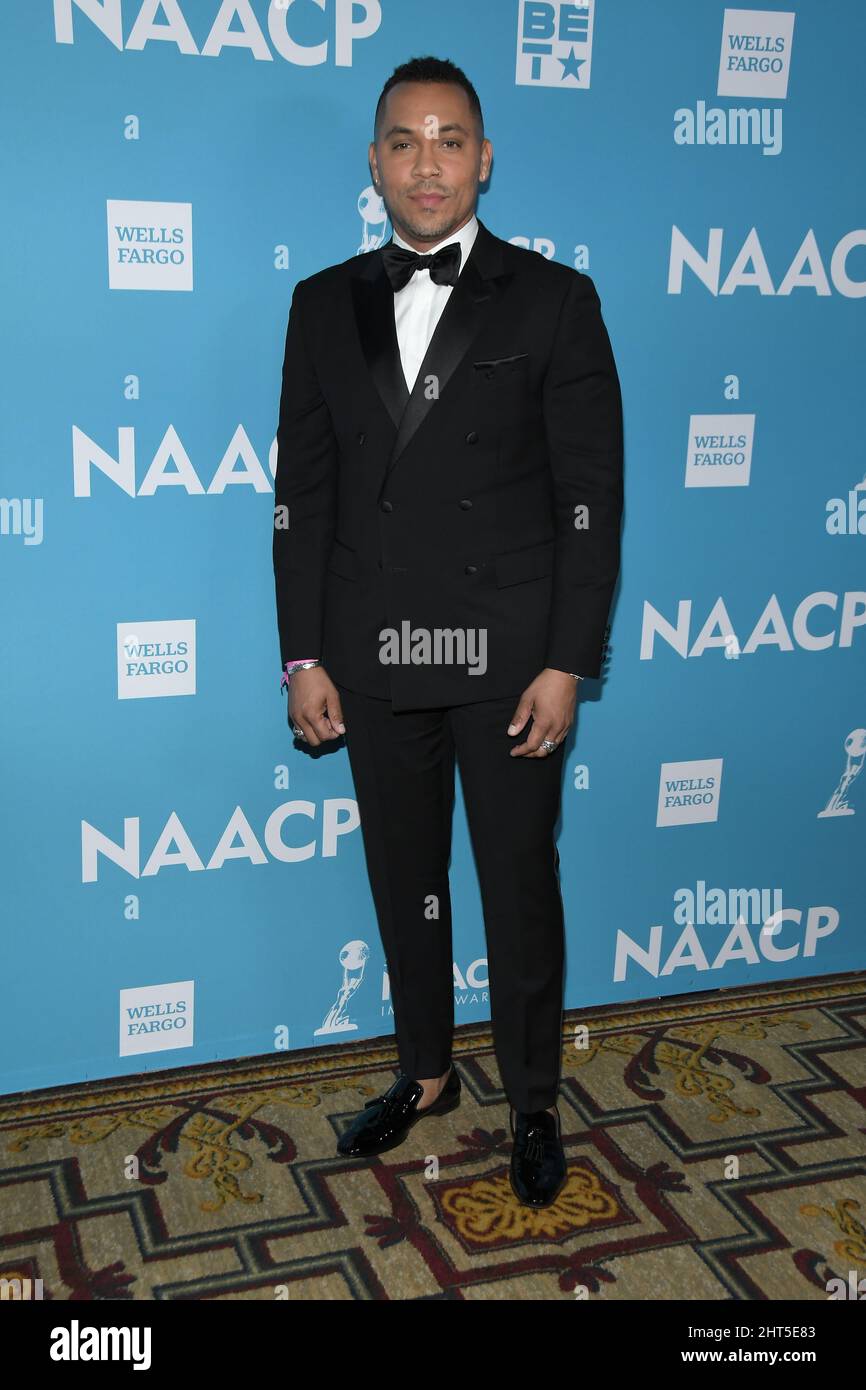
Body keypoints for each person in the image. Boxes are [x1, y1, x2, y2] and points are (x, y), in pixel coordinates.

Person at [273, 56, 623, 1207]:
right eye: (404, 141)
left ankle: (530, 1095)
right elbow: (304, 495)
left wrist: (568, 660)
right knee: (404, 876)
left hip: (507, 659)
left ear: (484, 157)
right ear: (373, 162)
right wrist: (303, 653)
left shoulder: (552, 298)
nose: (428, 162)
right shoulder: (319, 303)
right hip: (372, 656)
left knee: (517, 880)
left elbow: (589, 495)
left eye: (450, 138)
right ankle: (425, 1072)